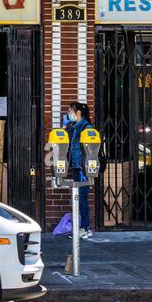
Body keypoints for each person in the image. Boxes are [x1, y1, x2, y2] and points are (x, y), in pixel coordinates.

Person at [64, 102, 95, 238]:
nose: (69, 114)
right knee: (78, 198)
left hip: (83, 167)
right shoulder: (75, 127)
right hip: (76, 165)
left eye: (70, 111)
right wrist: (66, 126)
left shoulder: (86, 127)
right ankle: (82, 227)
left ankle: (85, 228)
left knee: (82, 198)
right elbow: (65, 136)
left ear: (78, 112)